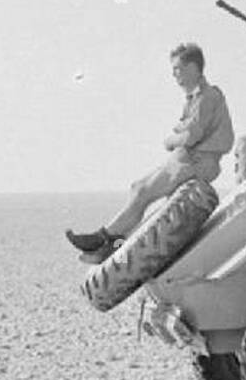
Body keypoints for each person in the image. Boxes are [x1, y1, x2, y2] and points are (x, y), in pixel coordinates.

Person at [66, 42, 234, 258]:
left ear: (193, 68)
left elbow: (191, 136)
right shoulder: (195, 98)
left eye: (178, 69)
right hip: (187, 159)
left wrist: (170, 141)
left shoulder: (207, 96)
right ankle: (112, 241)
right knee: (138, 187)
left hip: (198, 161)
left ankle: (105, 239)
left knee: (144, 193)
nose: (175, 75)